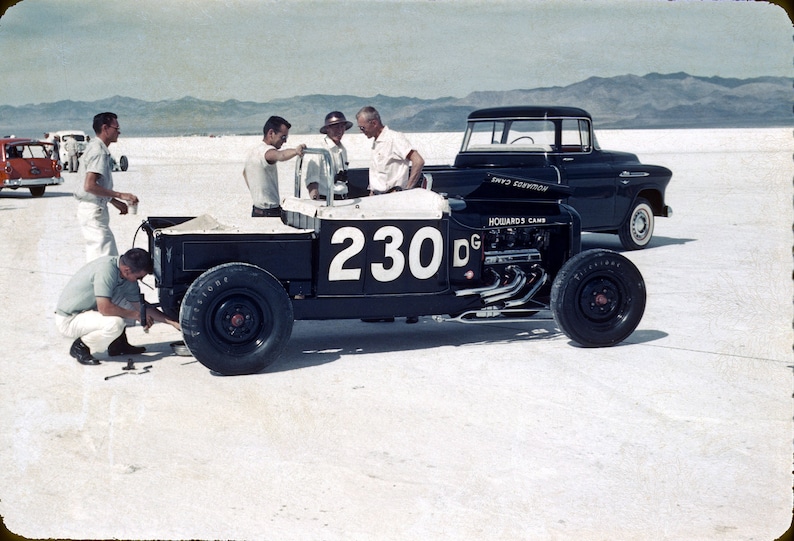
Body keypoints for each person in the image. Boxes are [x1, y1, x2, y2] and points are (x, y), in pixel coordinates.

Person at [55, 248, 181, 366]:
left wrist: (173, 322)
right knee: (115, 324)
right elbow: (104, 308)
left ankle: (118, 345)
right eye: (139, 277)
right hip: (69, 319)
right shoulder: (106, 270)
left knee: (129, 305)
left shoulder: (124, 273)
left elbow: (139, 306)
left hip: (87, 310)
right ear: (127, 270)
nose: (140, 280)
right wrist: (136, 315)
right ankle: (80, 346)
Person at [74, 112, 139, 262]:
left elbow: (97, 186)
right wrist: (120, 195)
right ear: (105, 128)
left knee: (100, 254)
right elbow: (90, 185)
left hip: (92, 209)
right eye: (116, 128)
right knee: (105, 259)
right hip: (94, 211)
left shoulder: (95, 147)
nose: (119, 132)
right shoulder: (99, 152)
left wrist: (114, 202)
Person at [243, 116, 306, 217]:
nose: (285, 141)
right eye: (283, 137)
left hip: (256, 210)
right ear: (271, 133)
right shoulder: (266, 151)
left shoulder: (253, 152)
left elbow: (245, 173)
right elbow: (281, 155)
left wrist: (259, 195)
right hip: (269, 213)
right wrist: (296, 151)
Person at [355, 106, 425, 195]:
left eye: (362, 128)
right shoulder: (377, 142)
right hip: (377, 198)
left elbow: (418, 161)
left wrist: (407, 189)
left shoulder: (394, 139)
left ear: (374, 123)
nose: (361, 131)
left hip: (392, 197)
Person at [305, 111, 352, 200]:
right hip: (327, 200)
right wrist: (317, 203)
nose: (340, 130)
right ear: (327, 129)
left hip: (343, 199)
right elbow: (312, 182)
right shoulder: (320, 151)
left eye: (342, 127)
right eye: (336, 127)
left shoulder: (343, 150)